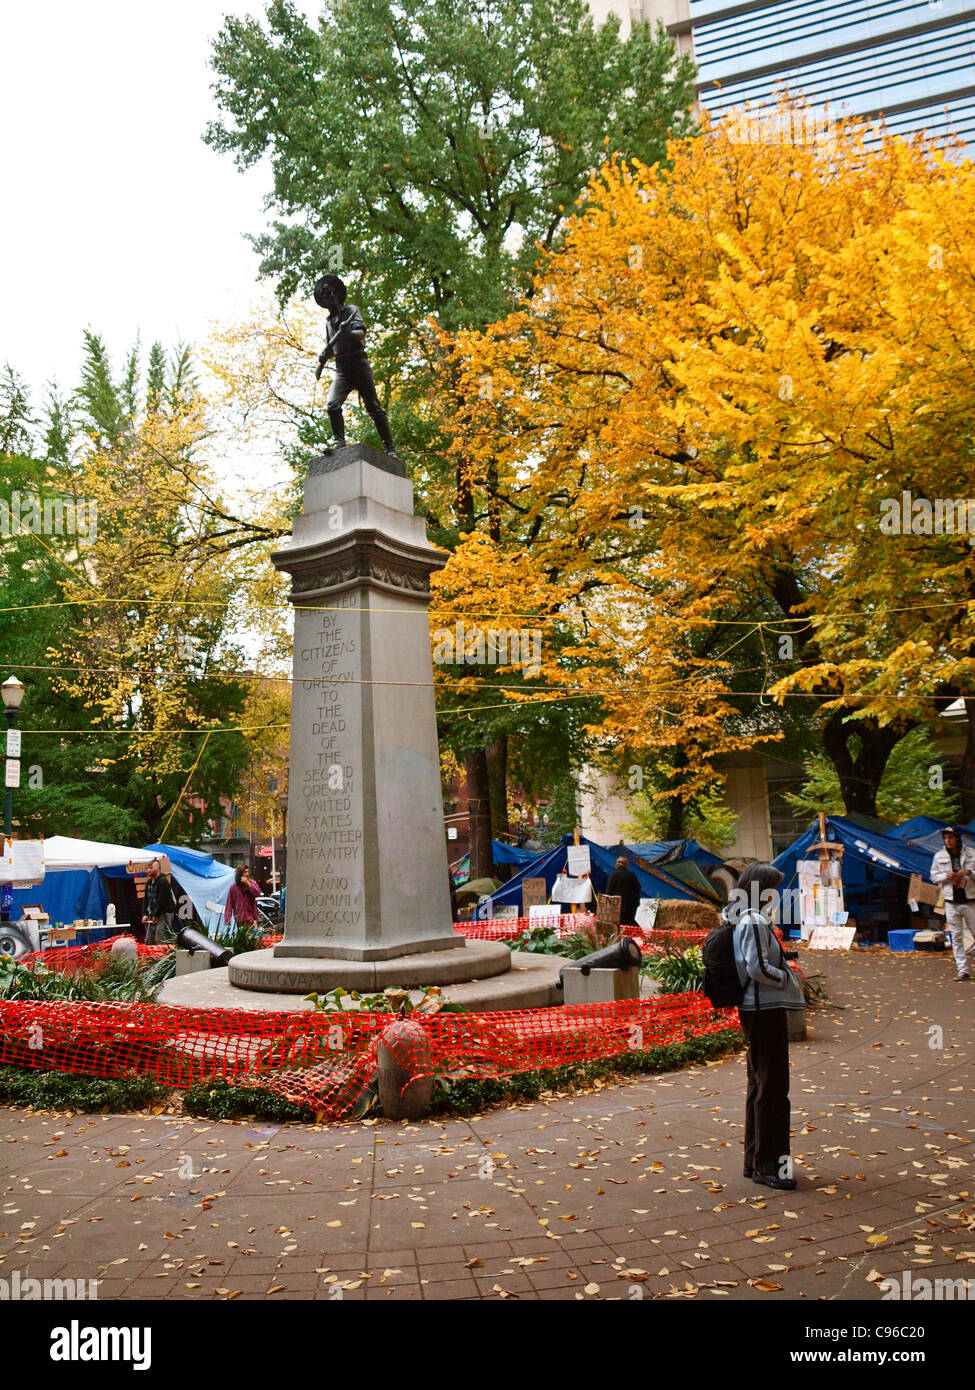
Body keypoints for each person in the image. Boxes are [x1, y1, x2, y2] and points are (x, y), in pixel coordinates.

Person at [724, 861, 805, 1191]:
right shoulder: (755, 920)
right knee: (773, 1088)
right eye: (772, 887)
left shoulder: (740, 916)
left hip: (756, 1010)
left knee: (760, 1084)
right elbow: (757, 968)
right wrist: (786, 977)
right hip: (764, 1009)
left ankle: (754, 1160)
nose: (775, 894)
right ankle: (771, 1168)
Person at [313, 274, 398, 458]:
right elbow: (332, 348)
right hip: (342, 370)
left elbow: (360, 334)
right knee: (332, 406)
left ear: (337, 294)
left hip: (358, 365)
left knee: (374, 408)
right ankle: (339, 443)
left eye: (330, 293)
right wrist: (324, 357)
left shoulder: (351, 311)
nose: (328, 297)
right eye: (324, 295)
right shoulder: (328, 323)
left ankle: (390, 449)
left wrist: (349, 331)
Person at [930, 825, 975, 981]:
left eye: (950, 838)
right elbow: (933, 876)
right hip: (951, 901)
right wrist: (945, 876)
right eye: (945, 838)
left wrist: (969, 873)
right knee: (955, 936)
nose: (948, 841)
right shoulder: (939, 856)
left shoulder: (971, 854)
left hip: (970, 900)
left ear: (957, 838)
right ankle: (962, 970)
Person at [142, 859, 178, 945]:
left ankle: (162, 956)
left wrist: (156, 915)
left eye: (151, 868)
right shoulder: (149, 882)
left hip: (163, 914)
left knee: (160, 938)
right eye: (147, 868)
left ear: (157, 868)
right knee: (149, 939)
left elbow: (162, 900)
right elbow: (146, 899)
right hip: (152, 913)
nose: (148, 870)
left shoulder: (163, 881)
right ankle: (151, 957)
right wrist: (144, 914)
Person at [606, 853, 641, 926]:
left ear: (617, 864)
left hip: (617, 907)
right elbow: (637, 888)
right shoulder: (632, 875)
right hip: (630, 907)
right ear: (626, 865)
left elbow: (609, 891)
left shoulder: (614, 874)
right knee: (629, 925)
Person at [224, 864, 260, 930]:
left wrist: (248, 884)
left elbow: (257, 893)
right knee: (243, 938)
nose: (247, 874)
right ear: (240, 874)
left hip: (251, 917)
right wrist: (227, 919)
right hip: (240, 918)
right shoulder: (233, 887)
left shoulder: (253, 883)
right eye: (245, 872)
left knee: (252, 937)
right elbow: (229, 904)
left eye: (248, 872)